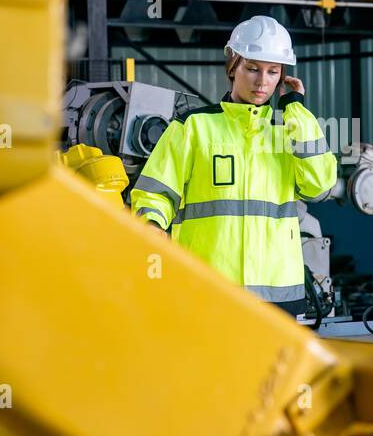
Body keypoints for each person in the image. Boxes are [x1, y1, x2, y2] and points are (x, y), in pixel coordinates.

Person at [129, 16, 337, 317]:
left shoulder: (288, 130)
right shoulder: (193, 126)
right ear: (233, 67)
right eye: (252, 68)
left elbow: (320, 186)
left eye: (272, 71)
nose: (262, 81)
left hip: (276, 295)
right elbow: (156, 191)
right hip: (207, 288)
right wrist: (151, 224)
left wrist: (296, 109)